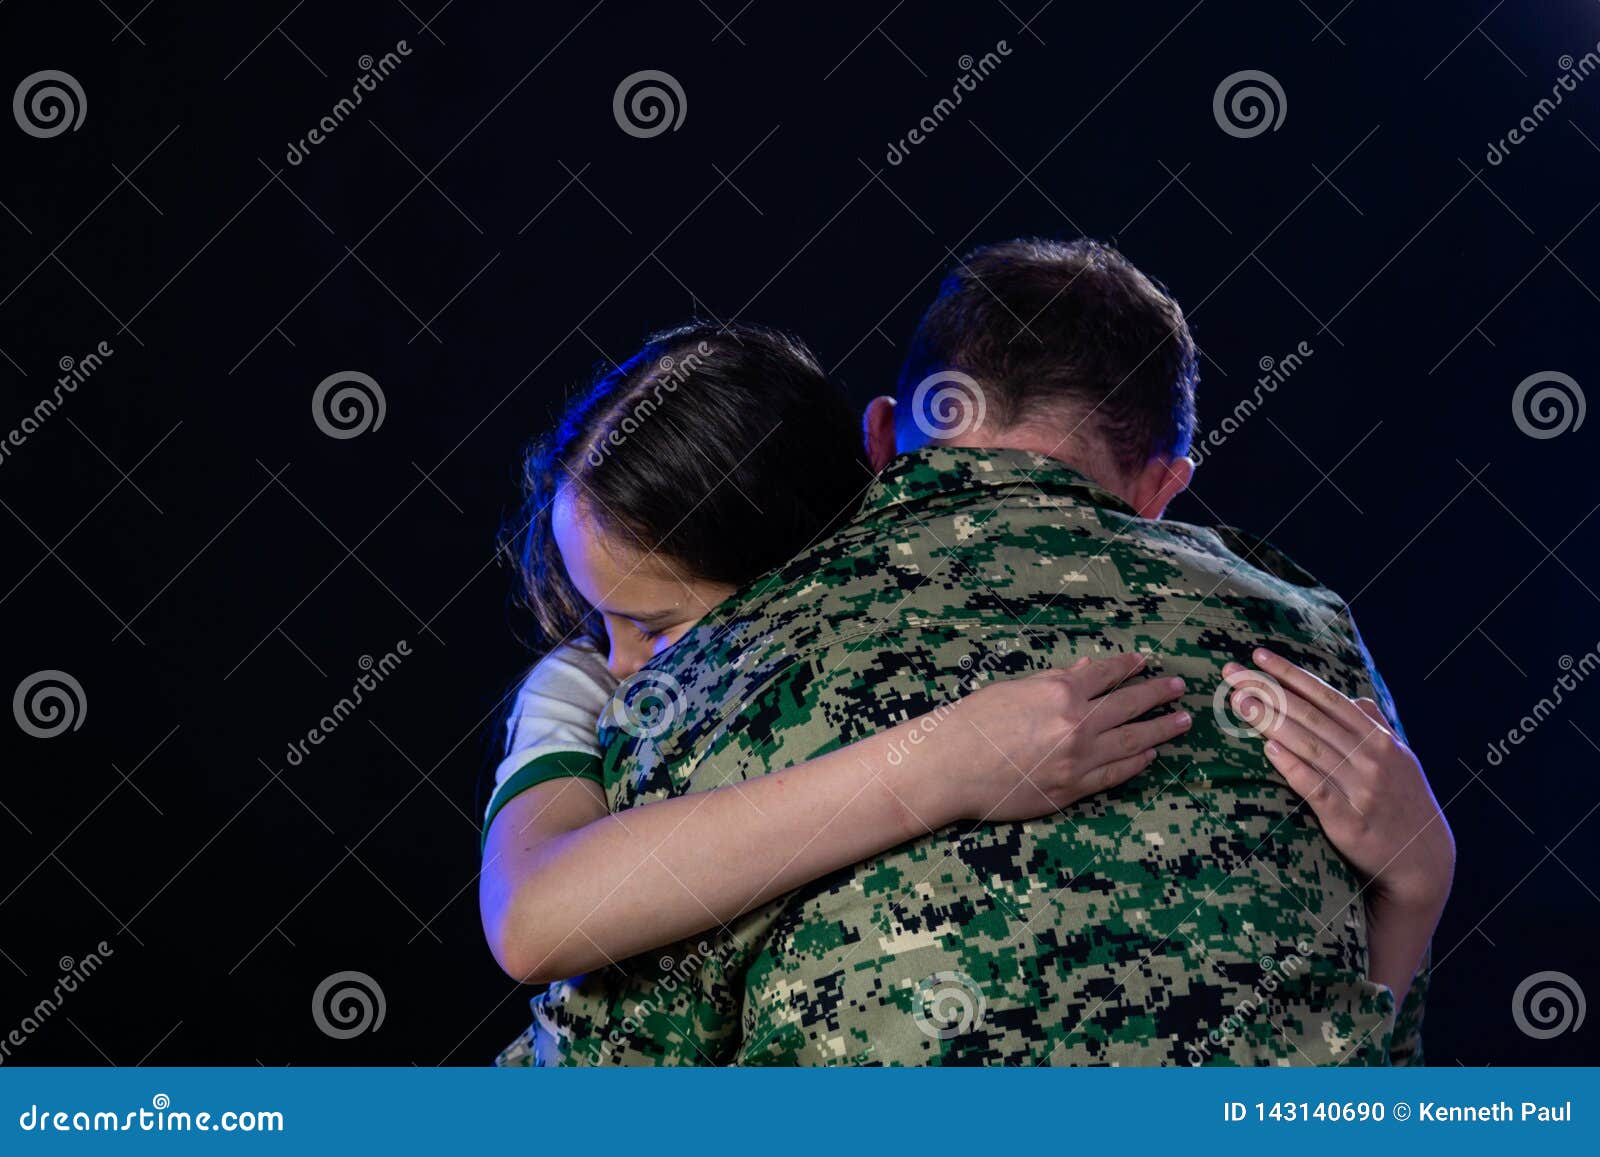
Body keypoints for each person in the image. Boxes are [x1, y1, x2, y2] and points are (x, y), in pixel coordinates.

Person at [501, 238, 1453, 1066]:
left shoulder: (724, 667)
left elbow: (594, 1072)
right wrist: (1420, 883)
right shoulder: (1304, 633)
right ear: (1164, 487)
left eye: (651, 627)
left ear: (882, 437)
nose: (630, 660)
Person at [480, 322, 1194, 1063]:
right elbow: (532, 918)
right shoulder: (587, 680)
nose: (623, 663)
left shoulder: (914, 614)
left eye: (655, 626)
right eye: (606, 616)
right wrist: (941, 764)